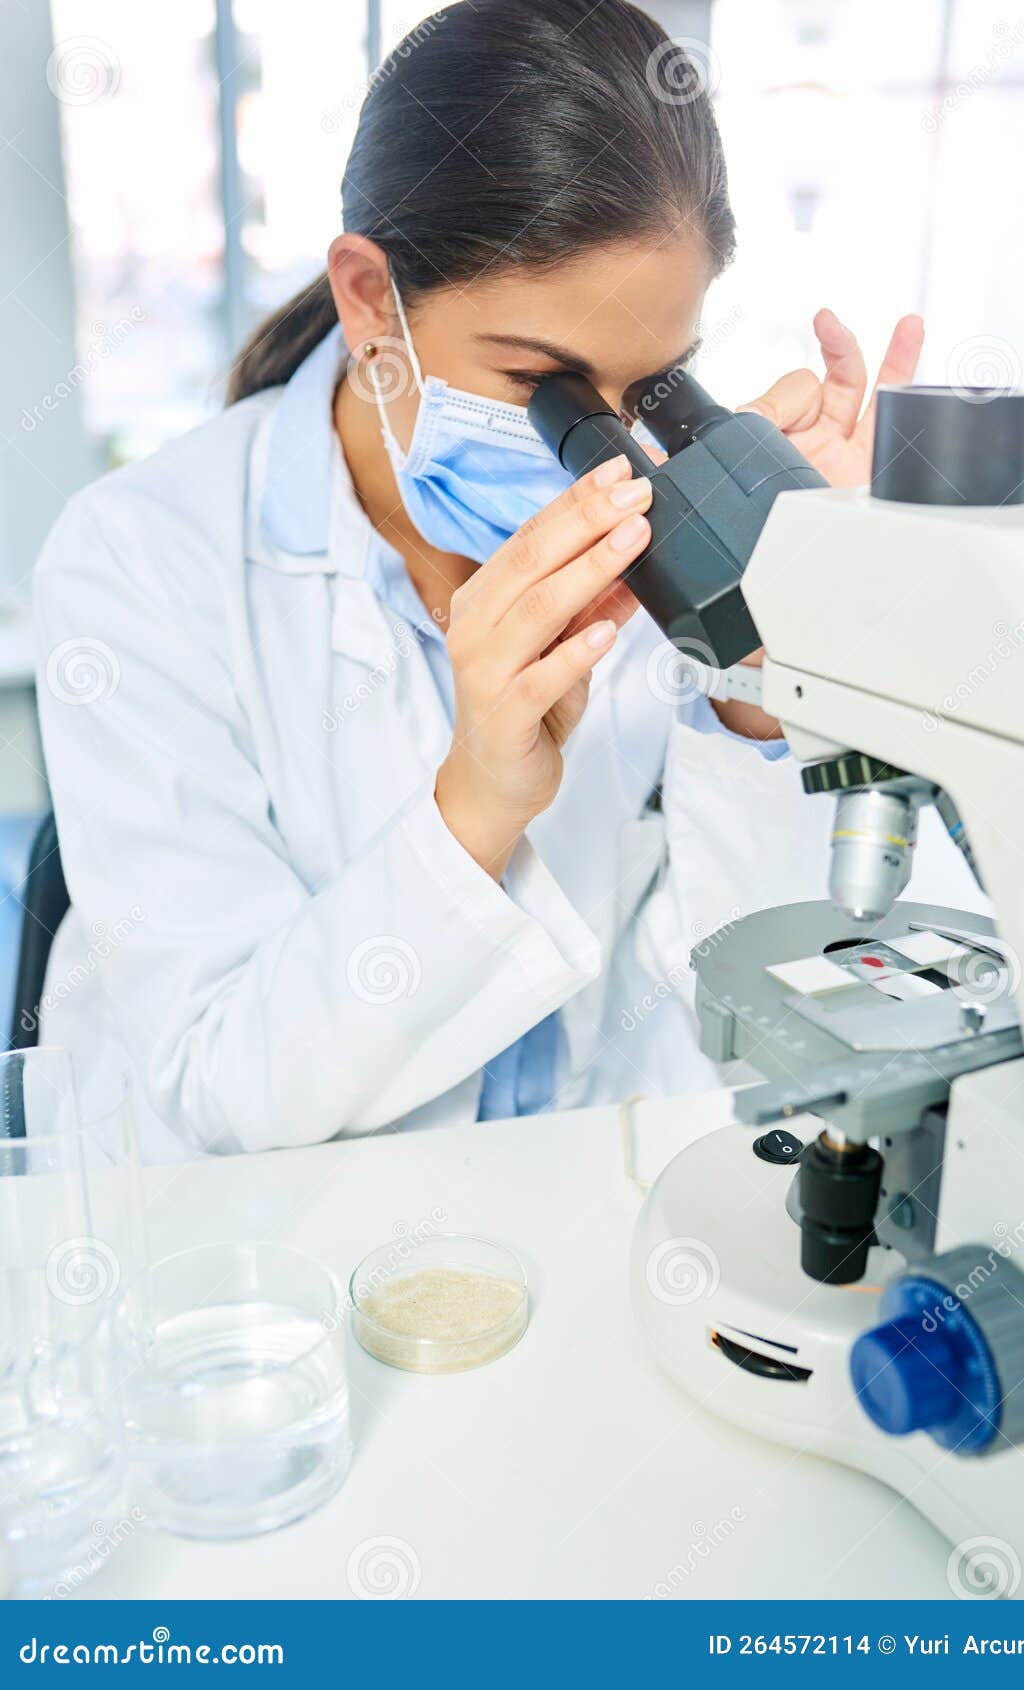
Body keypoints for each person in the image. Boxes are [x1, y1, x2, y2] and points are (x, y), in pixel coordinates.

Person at [33, 0, 970, 1162]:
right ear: (371, 298)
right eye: (543, 381)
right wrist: (479, 797)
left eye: (652, 388)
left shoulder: (667, 539)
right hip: (264, 1244)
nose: (606, 442)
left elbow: (784, 1011)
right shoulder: (139, 558)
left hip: (566, 1201)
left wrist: (759, 674)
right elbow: (222, 1086)